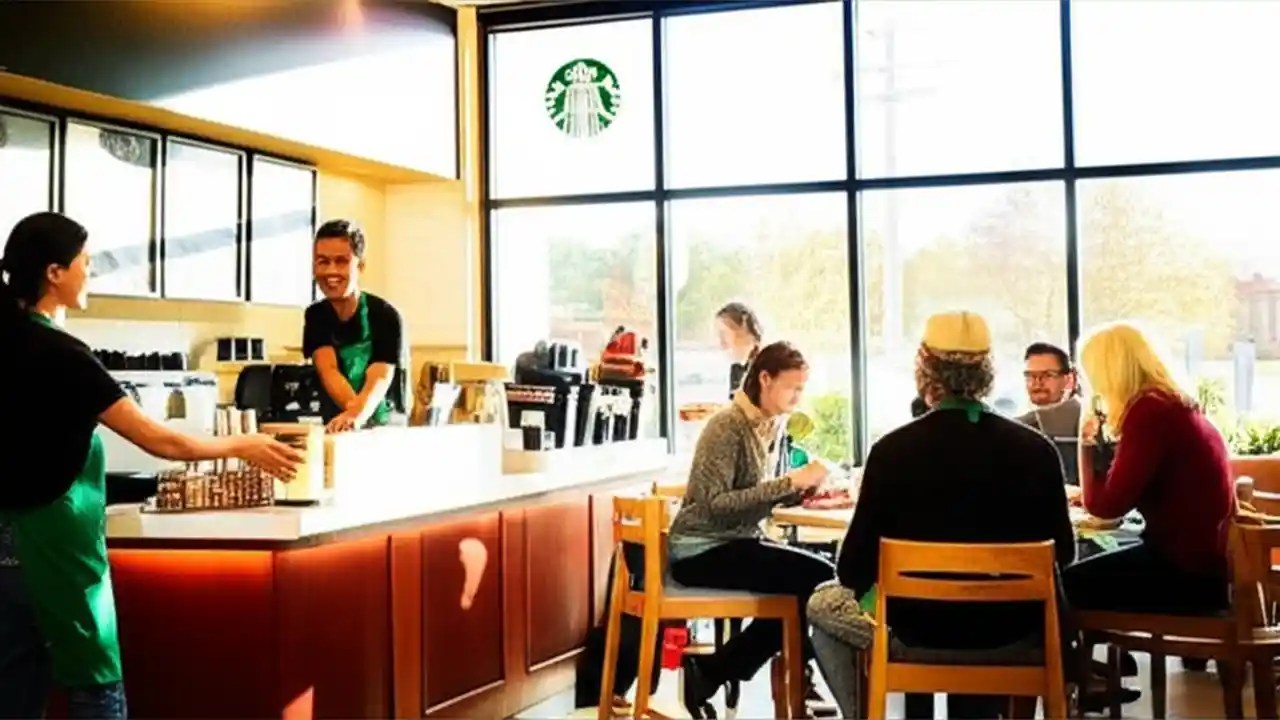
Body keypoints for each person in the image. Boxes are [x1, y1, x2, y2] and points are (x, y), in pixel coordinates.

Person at [0, 212, 303, 719]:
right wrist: (242, 445)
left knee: (13, 684)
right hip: (57, 545)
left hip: (4, 543)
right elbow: (161, 441)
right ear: (55, 272)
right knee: (95, 681)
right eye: (85, 263)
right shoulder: (64, 355)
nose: (90, 273)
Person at [812, 311, 1075, 720]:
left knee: (820, 605)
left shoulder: (891, 452)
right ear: (988, 372)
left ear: (924, 369)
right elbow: (1066, 554)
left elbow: (852, 570)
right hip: (1011, 630)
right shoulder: (1036, 451)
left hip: (918, 629)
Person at [667, 341, 834, 719]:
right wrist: (788, 483)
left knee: (810, 584)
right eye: (793, 387)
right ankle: (737, 673)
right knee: (819, 578)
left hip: (734, 542)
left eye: (802, 389)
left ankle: (719, 671)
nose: (798, 396)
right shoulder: (727, 425)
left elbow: (754, 499)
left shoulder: (770, 425)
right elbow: (715, 505)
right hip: (699, 549)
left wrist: (801, 491)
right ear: (765, 378)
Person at [1064, 322, 1234, 617]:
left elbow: (1104, 508)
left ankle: (1070, 663)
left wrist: (1085, 437)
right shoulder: (1173, 404)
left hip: (1184, 573)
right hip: (1207, 567)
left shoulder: (1148, 413)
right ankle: (1110, 657)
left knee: (1061, 585)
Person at [302, 219, 406, 433]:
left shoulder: (386, 315)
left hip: (387, 431)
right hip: (338, 428)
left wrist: (357, 415)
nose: (331, 271)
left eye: (341, 261)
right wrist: (351, 418)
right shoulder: (316, 316)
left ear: (360, 266)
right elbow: (328, 370)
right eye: (323, 261)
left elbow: (380, 377)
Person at [1016, 341, 1082, 438]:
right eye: (1030, 375)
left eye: (1048, 375)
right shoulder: (1016, 426)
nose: (1037, 382)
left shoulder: (1088, 425)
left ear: (1069, 380)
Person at [714, 302, 763, 399]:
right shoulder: (737, 368)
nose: (721, 342)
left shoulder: (765, 366)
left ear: (743, 330)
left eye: (724, 334)